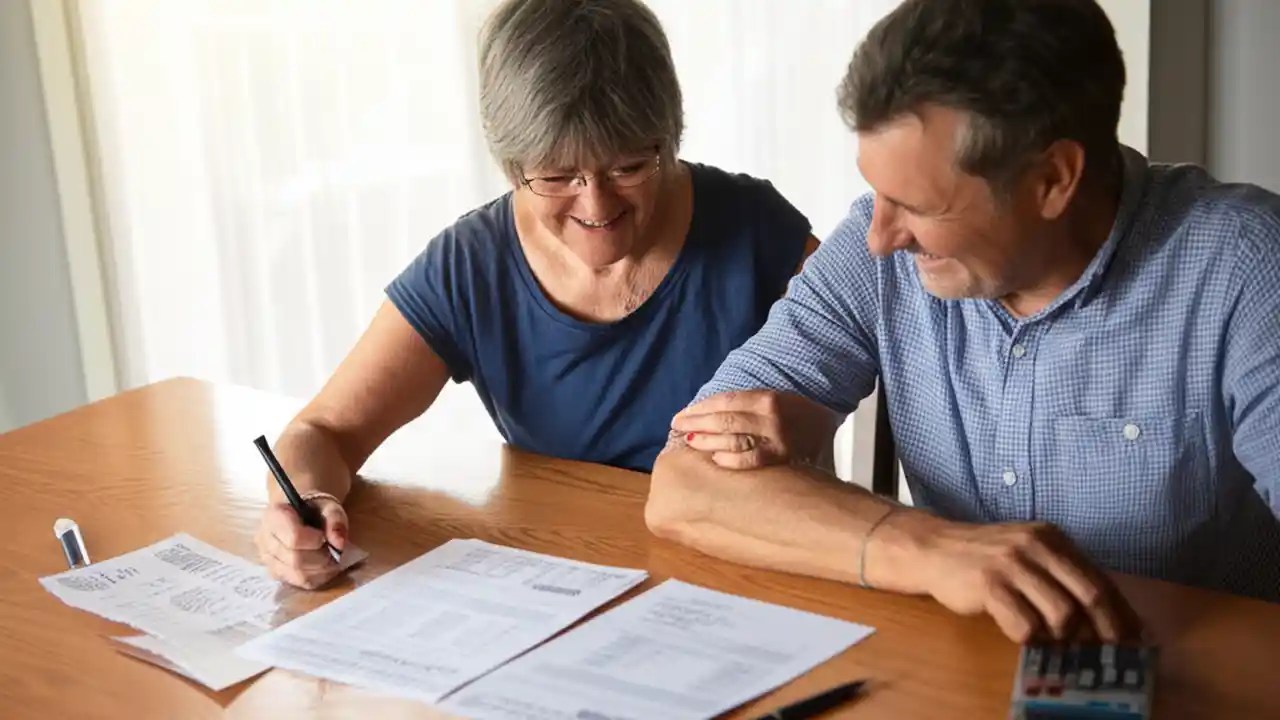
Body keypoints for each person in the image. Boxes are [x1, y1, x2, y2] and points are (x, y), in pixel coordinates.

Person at [649, 0, 1280, 645]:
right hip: (949, 675)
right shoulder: (882, 255)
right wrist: (928, 549)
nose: (879, 237)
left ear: (1053, 180)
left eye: (916, 205)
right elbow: (682, 486)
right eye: (878, 191)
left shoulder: (1248, 269)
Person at [254, 0, 816, 589]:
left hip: (748, 578)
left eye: (628, 166)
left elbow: (893, 337)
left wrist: (810, 424)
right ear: (510, 164)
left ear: (667, 137)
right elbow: (324, 431)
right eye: (556, 175)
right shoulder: (473, 266)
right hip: (567, 584)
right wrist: (302, 504)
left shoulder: (755, 233)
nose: (597, 205)